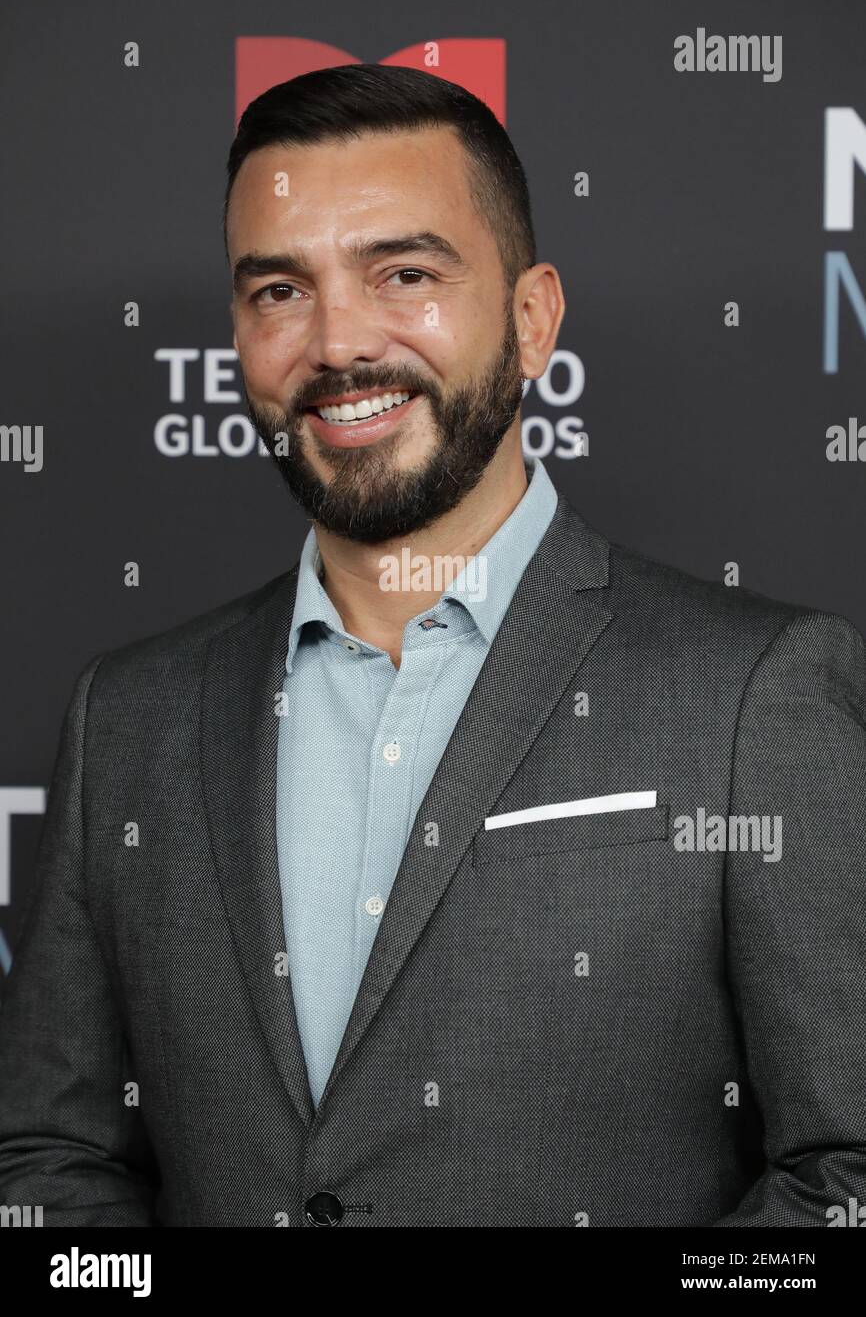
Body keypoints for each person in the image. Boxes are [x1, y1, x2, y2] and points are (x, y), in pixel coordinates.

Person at [0, 63, 864, 1228]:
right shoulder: (132, 716)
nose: (338, 342)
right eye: (277, 291)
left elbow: (842, 1177)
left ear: (530, 318)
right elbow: (52, 1159)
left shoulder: (756, 691)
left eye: (402, 273)